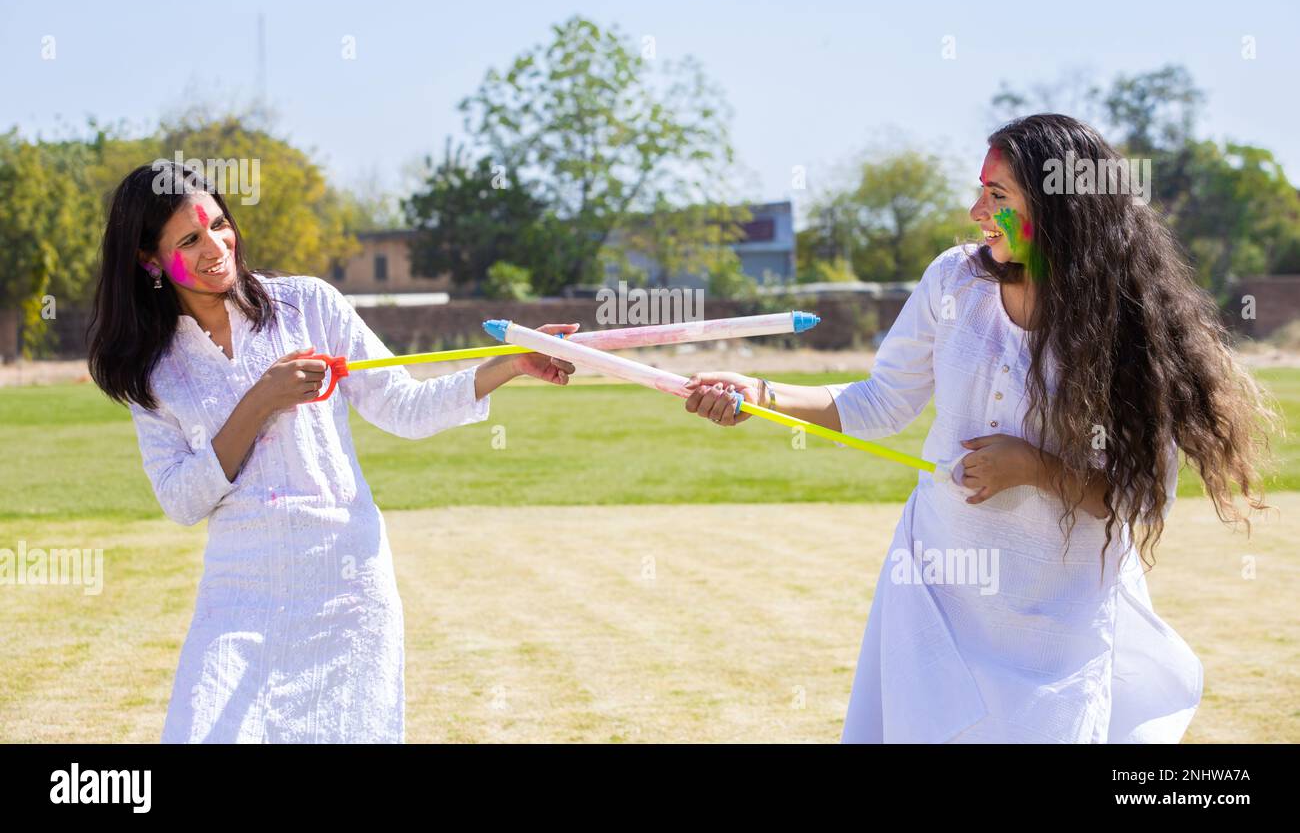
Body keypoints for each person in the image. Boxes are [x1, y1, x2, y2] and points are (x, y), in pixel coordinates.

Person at [683, 114, 1278, 743]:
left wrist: (1035, 467)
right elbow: (880, 401)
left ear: (1060, 208)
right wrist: (761, 394)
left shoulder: (1126, 328)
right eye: (980, 191)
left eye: (998, 196)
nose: (976, 212)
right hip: (935, 595)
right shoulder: (954, 280)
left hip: (1056, 622)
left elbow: (1140, 499)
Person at [87, 161, 576, 743]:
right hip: (239, 594)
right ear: (149, 261)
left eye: (219, 224)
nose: (216, 247)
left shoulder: (308, 304)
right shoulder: (154, 370)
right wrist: (260, 401)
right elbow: (182, 500)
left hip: (347, 587)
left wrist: (511, 364)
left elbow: (404, 407)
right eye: (189, 240)